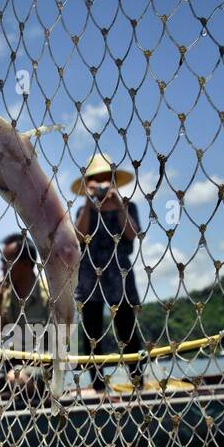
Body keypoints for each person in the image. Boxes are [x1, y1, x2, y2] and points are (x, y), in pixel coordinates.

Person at [72, 154, 145, 393]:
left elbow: (132, 234)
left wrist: (119, 207)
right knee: (92, 330)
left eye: (106, 179)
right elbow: (78, 236)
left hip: (119, 272)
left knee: (127, 327)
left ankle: (137, 379)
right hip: (89, 273)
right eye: (97, 179)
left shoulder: (127, 205)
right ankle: (97, 384)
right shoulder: (85, 209)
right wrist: (88, 202)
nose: (103, 184)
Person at [0, 232, 51, 397]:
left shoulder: (48, 297)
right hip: (9, 360)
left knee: (16, 380)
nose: (2, 267)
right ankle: (15, 388)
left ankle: (34, 389)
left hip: (40, 362)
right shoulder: (6, 295)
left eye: (7, 262)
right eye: (2, 262)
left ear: (27, 264)